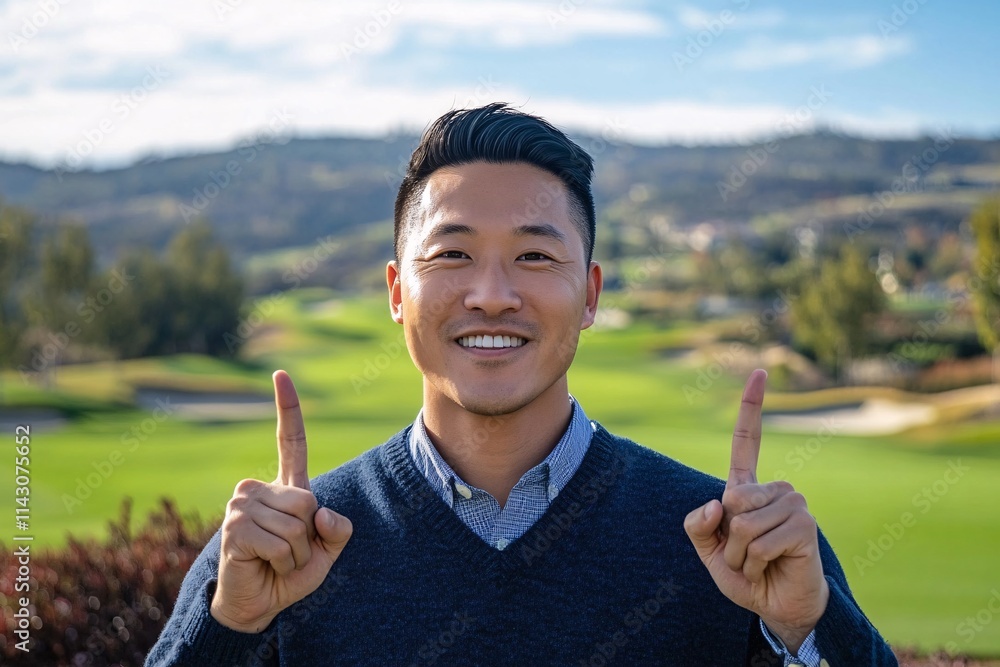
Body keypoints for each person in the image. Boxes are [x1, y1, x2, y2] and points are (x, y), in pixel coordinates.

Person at [146, 103, 897, 666]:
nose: (493, 294)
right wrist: (231, 629)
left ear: (592, 292)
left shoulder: (739, 550)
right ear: (397, 290)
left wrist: (806, 630)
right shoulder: (275, 557)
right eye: (452, 255)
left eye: (536, 257)